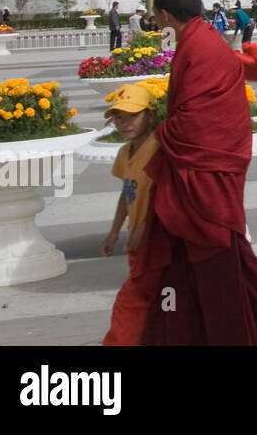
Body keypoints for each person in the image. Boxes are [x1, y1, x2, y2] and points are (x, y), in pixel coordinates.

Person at [135, 0, 257, 344]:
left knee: (223, 277)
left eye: (155, 17)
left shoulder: (200, 48)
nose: (155, 23)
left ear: (166, 15)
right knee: (193, 275)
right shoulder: (199, 40)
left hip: (205, 182)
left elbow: (197, 124)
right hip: (197, 178)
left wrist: (157, 137)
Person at [100, 83, 161, 346]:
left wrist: (143, 228)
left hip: (156, 241)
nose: (124, 124)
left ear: (150, 114)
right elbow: (127, 193)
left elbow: (166, 195)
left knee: (129, 305)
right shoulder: (124, 153)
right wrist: (114, 231)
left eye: (131, 116)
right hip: (137, 246)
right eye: (118, 118)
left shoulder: (159, 147)